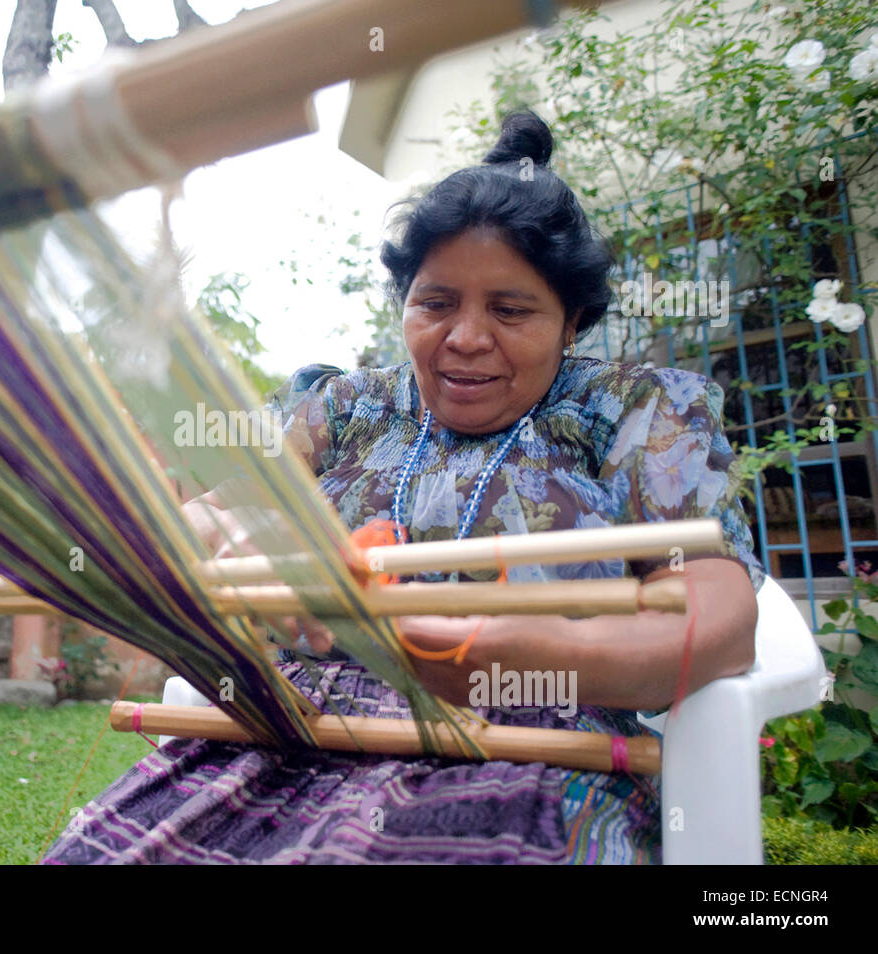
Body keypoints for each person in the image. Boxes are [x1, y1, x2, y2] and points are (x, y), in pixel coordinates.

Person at [40, 111, 763, 865]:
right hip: (290, 732)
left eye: (511, 310)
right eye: (436, 303)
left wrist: (546, 654)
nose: (467, 338)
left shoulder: (636, 412)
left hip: (535, 746)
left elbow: (722, 614)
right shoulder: (344, 408)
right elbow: (218, 517)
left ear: (572, 320)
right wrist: (200, 540)